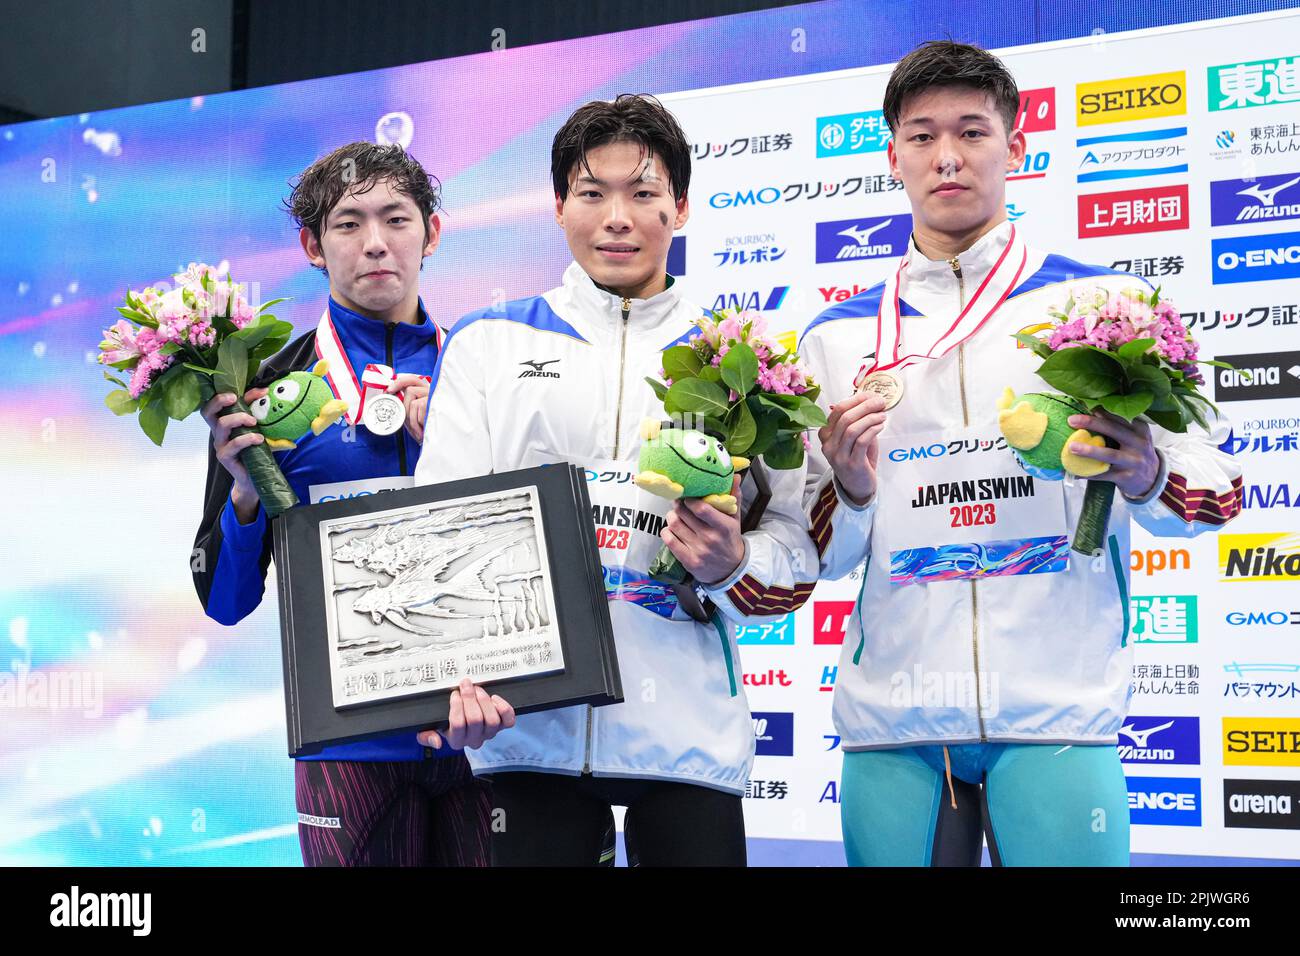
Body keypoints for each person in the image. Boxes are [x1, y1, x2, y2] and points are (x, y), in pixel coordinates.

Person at [800, 41, 1242, 867]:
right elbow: (813, 558)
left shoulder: (1106, 305)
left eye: (973, 131)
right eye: (924, 136)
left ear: (1018, 146)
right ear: (892, 154)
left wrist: (1148, 473)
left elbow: (1218, 485)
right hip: (895, 718)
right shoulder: (836, 337)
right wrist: (853, 491)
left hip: (1057, 713)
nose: (949, 157)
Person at [408, 94, 819, 866]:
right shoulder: (488, 342)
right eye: (593, 193)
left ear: (683, 207)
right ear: (559, 206)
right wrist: (449, 682)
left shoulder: (746, 357)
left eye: (643, 193)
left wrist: (734, 564)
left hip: (688, 740)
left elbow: (795, 549)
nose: (618, 217)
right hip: (526, 733)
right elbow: (443, 530)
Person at [192, 142, 513, 866]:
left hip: (491, 729)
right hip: (348, 736)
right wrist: (246, 495)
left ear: (433, 232)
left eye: (396, 218)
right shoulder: (262, 386)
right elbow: (224, 600)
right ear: (312, 244)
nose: (375, 243)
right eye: (347, 223)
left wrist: (460, 438)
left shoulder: (489, 372)